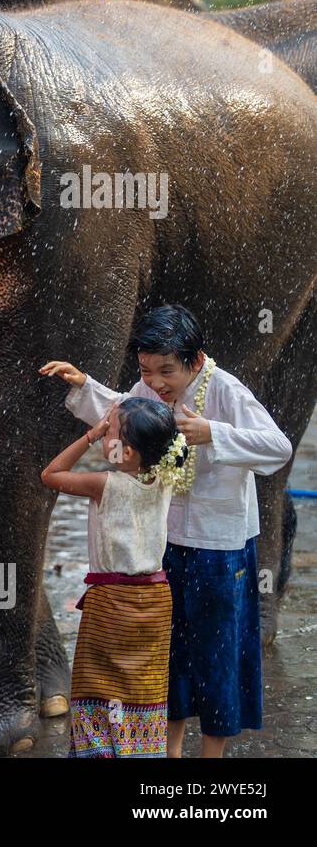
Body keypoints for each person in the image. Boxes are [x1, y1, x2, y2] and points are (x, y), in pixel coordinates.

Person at [41, 304, 292, 757]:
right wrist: (84, 387)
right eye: (146, 371)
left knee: (217, 656)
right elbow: (127, 414)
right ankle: (167, 750)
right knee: (168, 655)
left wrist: (213, 432)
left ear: (195, 361)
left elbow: (278, 448)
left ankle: (210, 757)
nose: (156, 382)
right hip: (166, 543)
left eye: (166, 371)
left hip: (220, 546)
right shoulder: (149, 388)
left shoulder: (227, 391)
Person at [41, 399, 185, 757]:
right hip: (155, 600)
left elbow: (50, 474)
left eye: (112, 433)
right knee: (143, 691)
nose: (107, 436)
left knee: (98, 689)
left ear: (128, 451)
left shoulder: (104, 484)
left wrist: (90, 434)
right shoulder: (165, 477)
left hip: (112, 604)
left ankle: (100, 750)